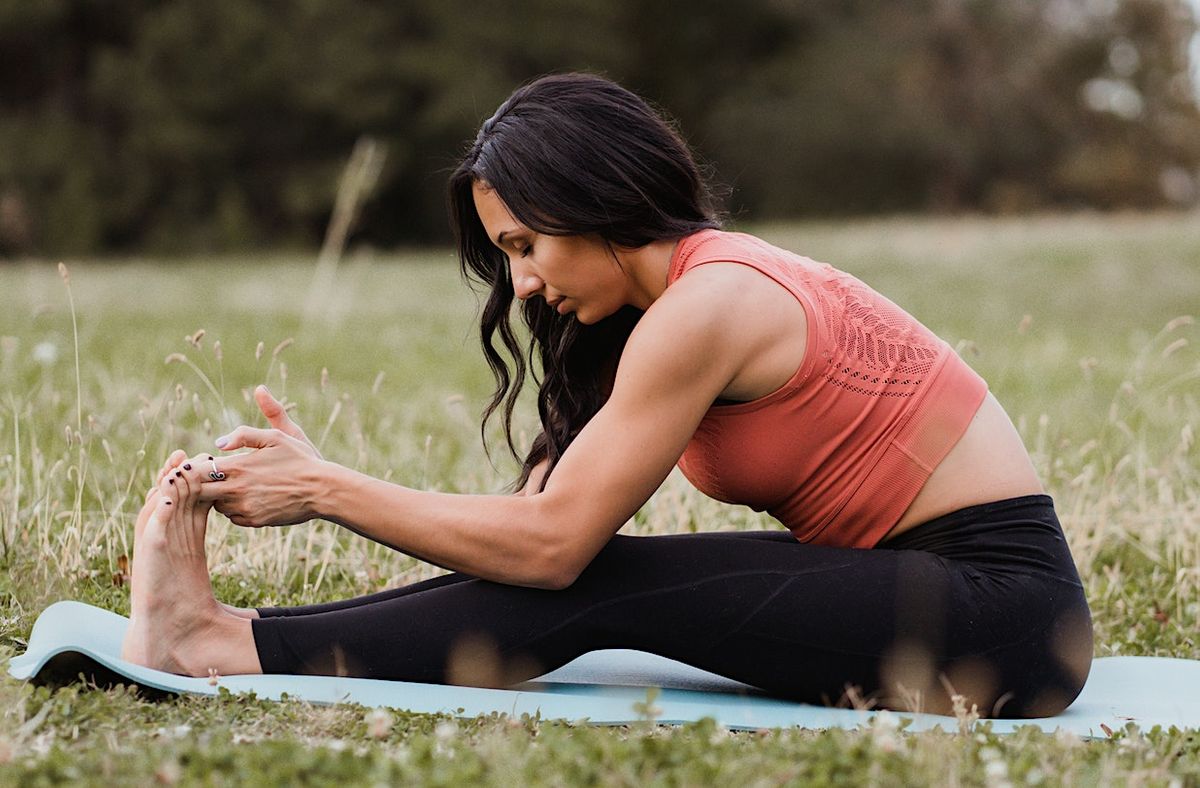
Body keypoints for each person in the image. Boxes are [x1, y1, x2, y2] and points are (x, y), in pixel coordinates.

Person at [121, 73, 1092, 718]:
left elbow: (550, 554)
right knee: (594, 575)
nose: (525, 286)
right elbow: (529, 532)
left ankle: (219, 644)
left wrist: (330, 489)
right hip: (931, 584)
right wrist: (329, 477)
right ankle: (223, 635)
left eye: (524, 246)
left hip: (1003, 616)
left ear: (592, 201)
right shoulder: (662, 306)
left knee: (602, 582)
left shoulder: (710, 305)